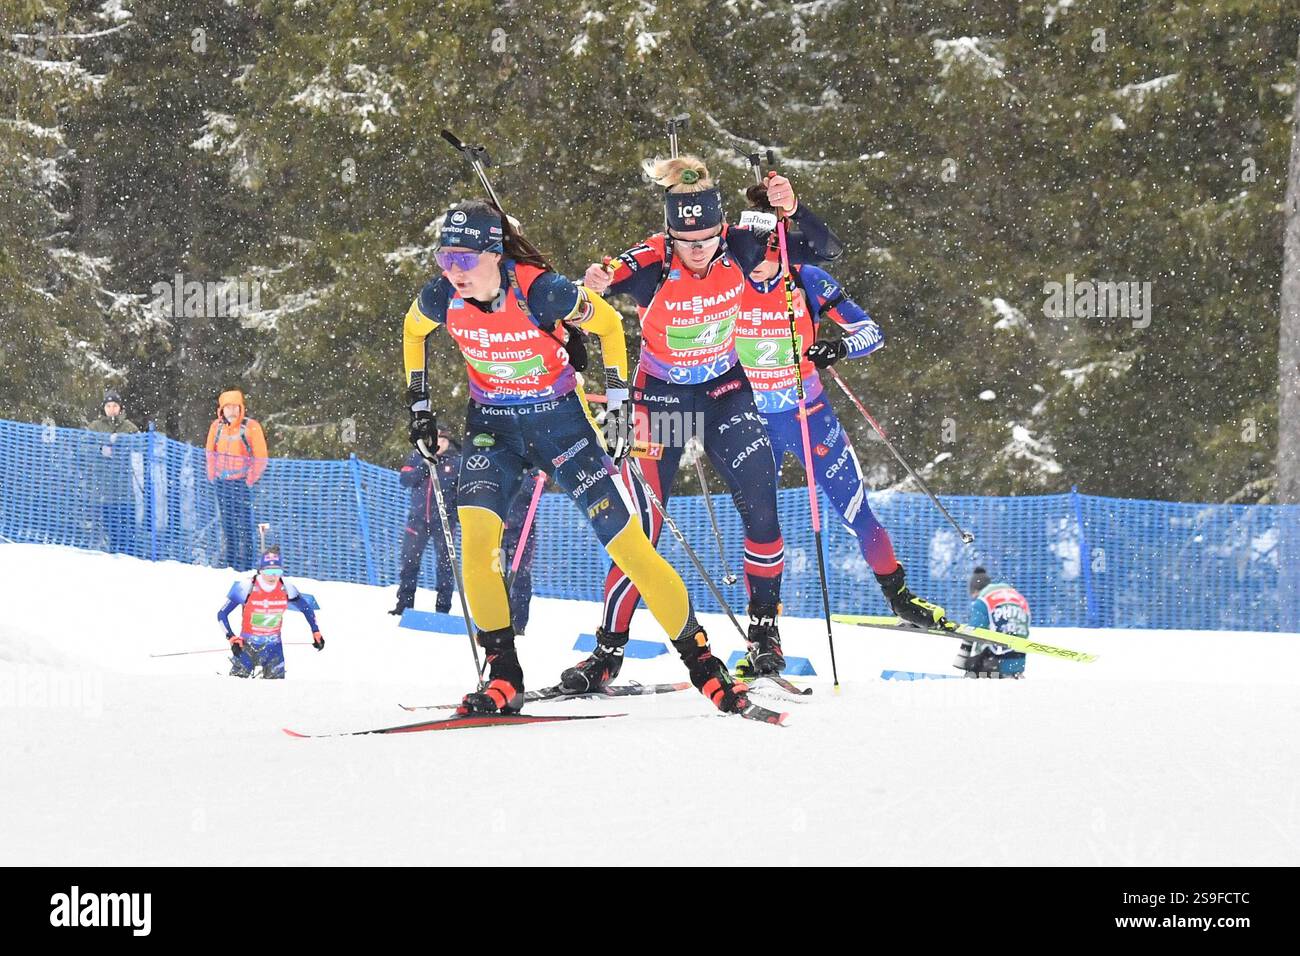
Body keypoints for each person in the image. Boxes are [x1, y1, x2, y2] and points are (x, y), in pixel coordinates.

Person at [403, 199, 750, 716]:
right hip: (492, 431)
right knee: (477, 547)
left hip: (561, 424)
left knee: (630, 549)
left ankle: (703, 664)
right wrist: (421, 407)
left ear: (494, 253)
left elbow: (609, 325)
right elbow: (412, 333)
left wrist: (616, 405)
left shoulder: (542, 290)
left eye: (465, 260)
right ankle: (504, 677)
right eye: (445, 260)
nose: (454, 273)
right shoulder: (439, 297)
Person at [567, 155, 841, 690]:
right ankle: (607, 652)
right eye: (686, 242)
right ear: (670, 235)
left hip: (724, 395)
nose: (698, 251)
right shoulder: (650, 259)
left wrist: (793, 209)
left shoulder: (742, 241)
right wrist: (590, 287)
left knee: (762, 502)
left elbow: (821, 250)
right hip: (662, 401)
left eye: (707, 239)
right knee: (641, 527)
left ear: (722, 230)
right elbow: (588, 294)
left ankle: (765, 633)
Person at [734, 183, 953, 642]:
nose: (769, 257)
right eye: (759, 248)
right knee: (760, 525)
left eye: (777, 245)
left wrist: (838, 347)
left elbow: (871, 332)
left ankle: (900, 597)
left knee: (856, 511)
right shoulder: (726, 285)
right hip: (752, 421)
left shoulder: (807, 279)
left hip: (807, 413)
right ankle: (763, 627)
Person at [218, 548, 324, 679]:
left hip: (274, 649)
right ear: (261, 570)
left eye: (277, 571)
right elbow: (222, 614)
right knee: (236, 689)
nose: (273, 576)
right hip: (247, 647)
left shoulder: (287, 588)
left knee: (276, 693)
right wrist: (231, 637)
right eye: (269, 571)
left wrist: (316, 631)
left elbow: (306, 609)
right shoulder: (246, 587)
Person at [391, 427, 462, 615]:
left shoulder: (456, 462)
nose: (439, 445)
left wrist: (454, 514)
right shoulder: (416, 456)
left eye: (443, 441)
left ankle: (442, 609)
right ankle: (404, 606)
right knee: (409, 562)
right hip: (418, 520)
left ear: (448, 443)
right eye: (435, 440)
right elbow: (405, 480)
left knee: (445, 565)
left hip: (444, 522)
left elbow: (463, 494)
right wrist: (424, 464)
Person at [204, 389, 267, 571]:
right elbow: (210, 452)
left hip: (242, 483)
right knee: (227, 524)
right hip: (222, 483)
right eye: (227, 407)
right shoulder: (216, 427)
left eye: (235, 407)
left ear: (241, 408)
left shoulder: (250, 427)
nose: (231, 411)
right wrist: (212, 474)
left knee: (245, 525)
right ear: (221, 410)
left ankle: (247, 565)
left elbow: (261, 457)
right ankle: (230, 564)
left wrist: (250, 479)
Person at [87, 389, 141, 555]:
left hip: (124, 489)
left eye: (114, 405)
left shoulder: (129, 426)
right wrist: (100, 449)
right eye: (108, 405)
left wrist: (122, 444)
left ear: (120, 407)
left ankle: (128, 559)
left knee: (127, 531)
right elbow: (83, 447)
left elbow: (141, 445)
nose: (111, 409)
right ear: (104, 408)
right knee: (110, 529)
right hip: (104, 489)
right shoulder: (95, 426)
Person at [956, 566, 1029, 678]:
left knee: (974, 667)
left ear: (976, 590)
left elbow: (973, 631)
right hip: (1018, 662)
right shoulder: (1018, 598)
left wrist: (962, 661)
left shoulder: (983, 602)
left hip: (994, 665)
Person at [500, 467, 542, 634]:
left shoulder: (533, 470)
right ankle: (496, 622)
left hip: (523, 533)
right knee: (496, 576)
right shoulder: (502, 461)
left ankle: (518, 625)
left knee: (521, 577)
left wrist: (520, 475)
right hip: (499, 530)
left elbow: (536, 491)